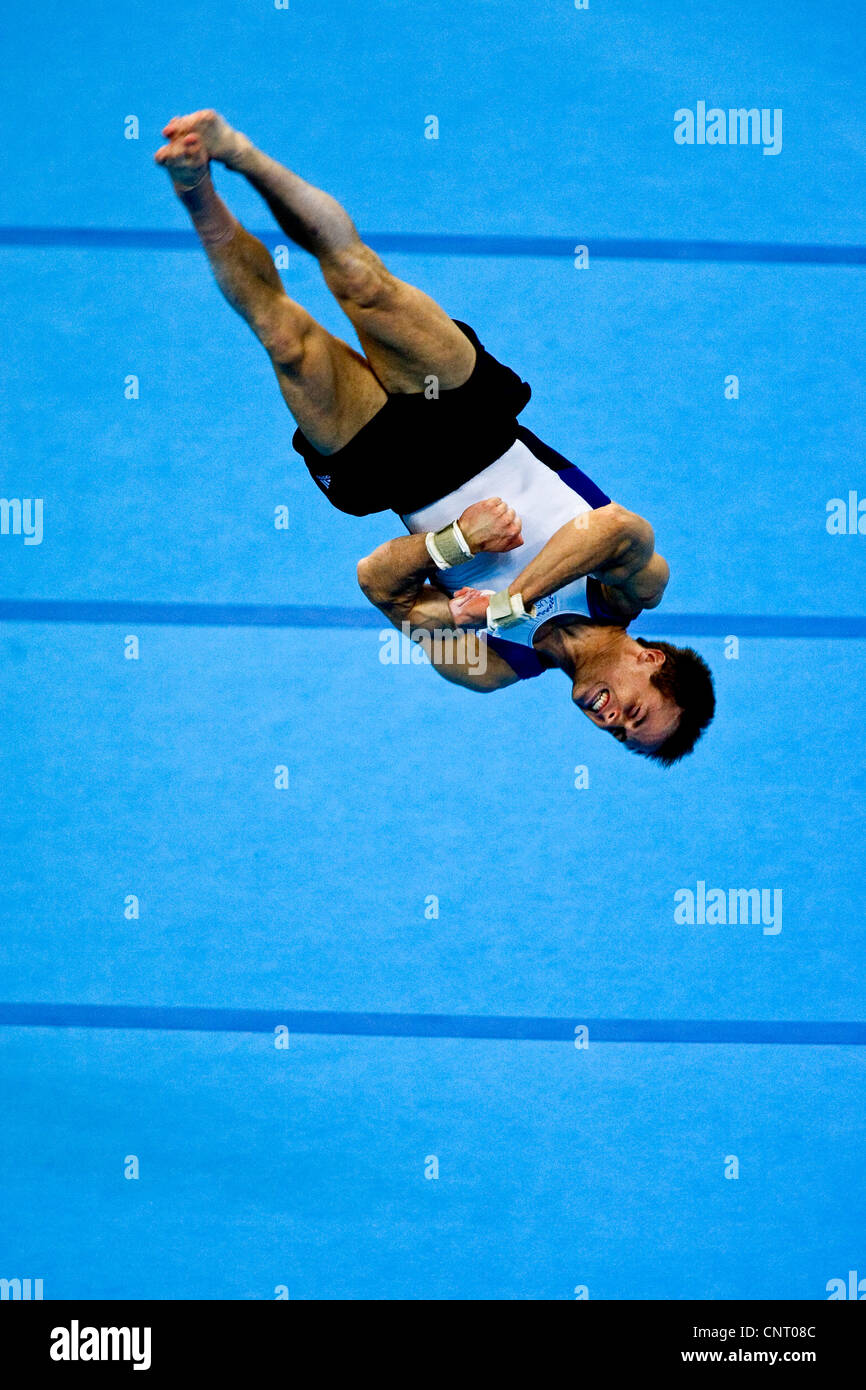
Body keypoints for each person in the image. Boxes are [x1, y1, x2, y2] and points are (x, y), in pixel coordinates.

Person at [155, 111, 715, 764]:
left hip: (391, 473)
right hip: (473, 421)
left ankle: (196, 191)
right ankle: (237, 151)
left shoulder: (485, 668)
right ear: (649, 657)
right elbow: (612, 529)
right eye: (635, 711)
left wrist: (453, 544)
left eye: (620, 734)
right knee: (361, 281)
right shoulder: (632, 589)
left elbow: (378, 583)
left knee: (284, 339)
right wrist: (507, 603)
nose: (611, 720)